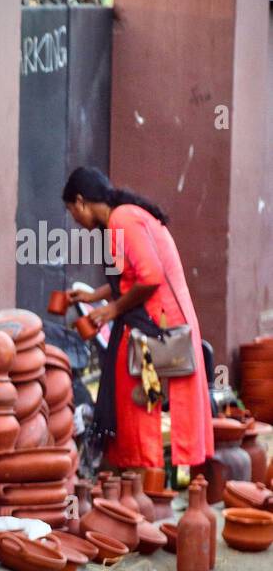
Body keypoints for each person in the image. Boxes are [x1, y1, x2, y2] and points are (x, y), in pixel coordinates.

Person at [62, 166, 213, 474]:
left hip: (158, 325)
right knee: (137, 401)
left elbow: (151, 277)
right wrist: (93, 298)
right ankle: (139, 477)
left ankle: (144, 479)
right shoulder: (122, 218)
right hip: (152, 321)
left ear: (80, 202)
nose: (74, 221)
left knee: (142, 403)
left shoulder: (122, 219)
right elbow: (131, 278)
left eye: (71, 212)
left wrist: (112, 310)